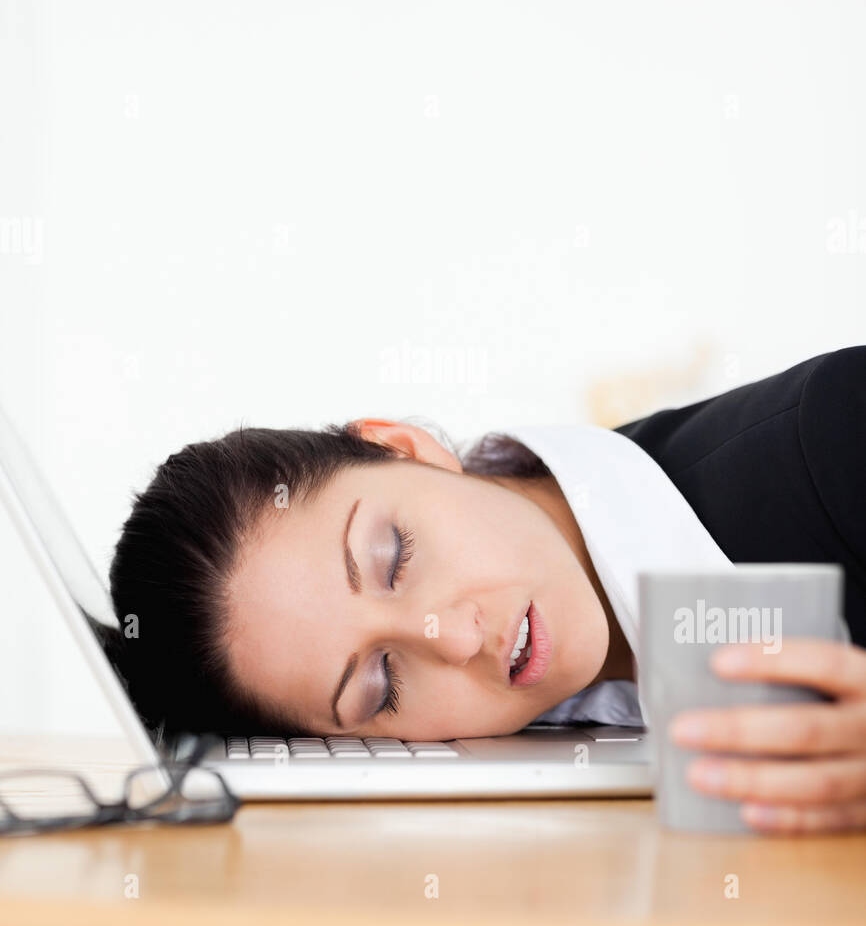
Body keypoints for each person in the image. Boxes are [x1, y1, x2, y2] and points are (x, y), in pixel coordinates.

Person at [107, 344, 866, 832]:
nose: (459, 639)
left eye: (396, 556)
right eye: (378, 685)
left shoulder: (839, 435)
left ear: (400, 448)